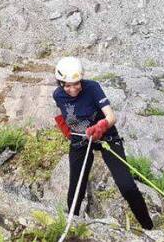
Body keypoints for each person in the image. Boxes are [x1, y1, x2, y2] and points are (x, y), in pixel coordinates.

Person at [51, 57, 154, 230]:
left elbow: (111, 117)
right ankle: (72, 227)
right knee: (76, 188)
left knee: (127, 185)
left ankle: (149, 227)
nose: (73, 89)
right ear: (60, 83)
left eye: (76, 83)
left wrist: (101, 126)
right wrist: (66, 128)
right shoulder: (58, 95)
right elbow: (62, 112)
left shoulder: (92, 88)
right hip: (80, 137)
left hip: (105, 135)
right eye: (67, 85)